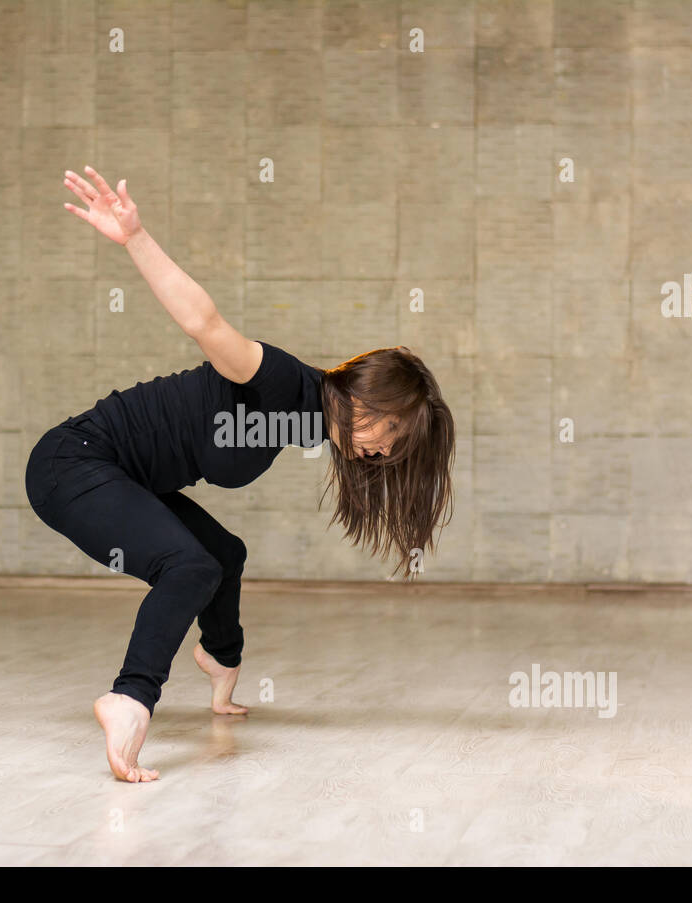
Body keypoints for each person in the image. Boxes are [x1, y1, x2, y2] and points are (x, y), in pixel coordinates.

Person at [25, 166, 455, 782]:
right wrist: (135, 237)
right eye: (384, 437)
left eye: (390, 451)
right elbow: (205, 324)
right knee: (189, 565)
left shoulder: (314, 421)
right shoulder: (283, 383)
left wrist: (225, 661)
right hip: (71, 463)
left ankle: (220, 664)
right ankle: (130, 699)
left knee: (222, 553)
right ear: (365, 400)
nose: (379, 455)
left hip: (117, 472)